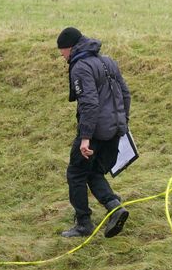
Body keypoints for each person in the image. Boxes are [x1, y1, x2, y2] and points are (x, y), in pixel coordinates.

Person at [56, 26, 131, 239]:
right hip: (115, 129)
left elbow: (89, 103)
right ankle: (115, 208)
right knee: (94, 172)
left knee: (76, 173)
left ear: (69, 48)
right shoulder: (108, 61)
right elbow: (125, 94)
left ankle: (83, 223)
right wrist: (122, 123)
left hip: (95, 131)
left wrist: (85, 138)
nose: (61, 56)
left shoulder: (80, 67)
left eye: (61, 51)